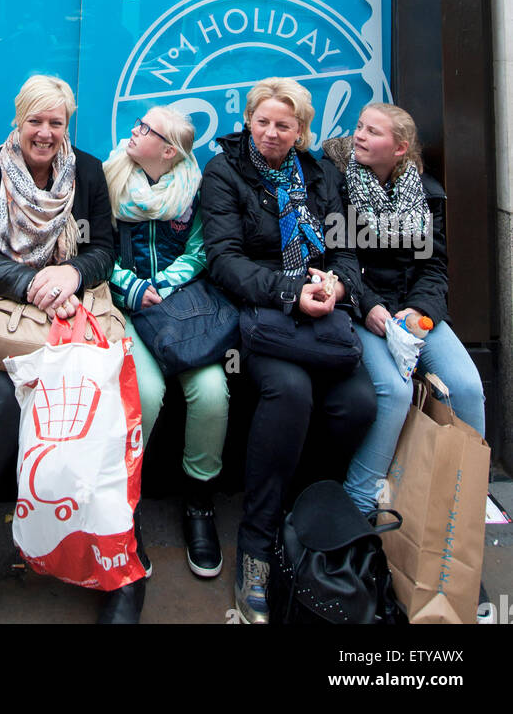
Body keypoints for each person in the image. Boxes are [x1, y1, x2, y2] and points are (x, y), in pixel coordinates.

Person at [0, 75, 143, 623]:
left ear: (67, 126)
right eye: (34, 121)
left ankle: (119, 562)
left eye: (56, 122)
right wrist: (32, 284)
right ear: (17, 122)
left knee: (106, 404)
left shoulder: (87, 172)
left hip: (70, 302)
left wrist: (69, 272)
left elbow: (104, 249)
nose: (44, 133)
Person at [200, 77, 376, 625]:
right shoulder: (225, 170)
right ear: (248, 120)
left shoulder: (324, 173)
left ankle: (301, 520)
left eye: (285, 124)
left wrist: (338, 287)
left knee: (359, 403)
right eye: (263, 121)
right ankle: (256, 543)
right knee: (290, 392)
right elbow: (223, 258)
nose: (272, 133)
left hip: (323, 313)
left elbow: (347, 249)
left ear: (301, 130)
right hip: (265, 314)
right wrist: (289, 292)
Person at [323, 102, 485, 515]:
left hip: (413, 312)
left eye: (373, 132)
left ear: (400, 148)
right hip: (363, 312)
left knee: (466, 387)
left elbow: (434, 266)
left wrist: (418, 312)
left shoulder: (426, 193)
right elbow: (339, 258)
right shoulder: (336, 183)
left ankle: (464, 495)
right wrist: (372, 307)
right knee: (393, 392)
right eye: (359, 127)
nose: (359, 135)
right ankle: (359, 500)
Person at [103, 105, 230, 579]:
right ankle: (124, 503)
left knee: (213, 392)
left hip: (181, 310)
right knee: (147, 394)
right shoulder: (110, 178)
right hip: (130, 308)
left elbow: (200, 251)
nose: (133, 134)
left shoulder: (194, 188)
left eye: (145, 130)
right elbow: (97, 247)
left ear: (169, 150)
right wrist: (133, 287)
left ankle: (199, 502)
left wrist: (165, 283)